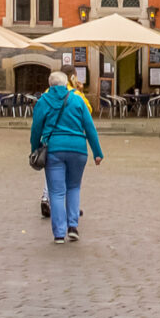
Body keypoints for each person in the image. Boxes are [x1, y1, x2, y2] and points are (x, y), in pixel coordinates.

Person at [29, 70, 102, 244]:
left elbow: (36, 129)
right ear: (65, 83)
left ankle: (59, 234)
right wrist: (97, 152)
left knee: (56, 191)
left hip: (54, 150)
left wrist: (35, 149)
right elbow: (89, 127)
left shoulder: (43, 101)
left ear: (50, 85)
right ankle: (73, 226)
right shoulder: (77, 99)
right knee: (74, 187)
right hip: (78, 150)